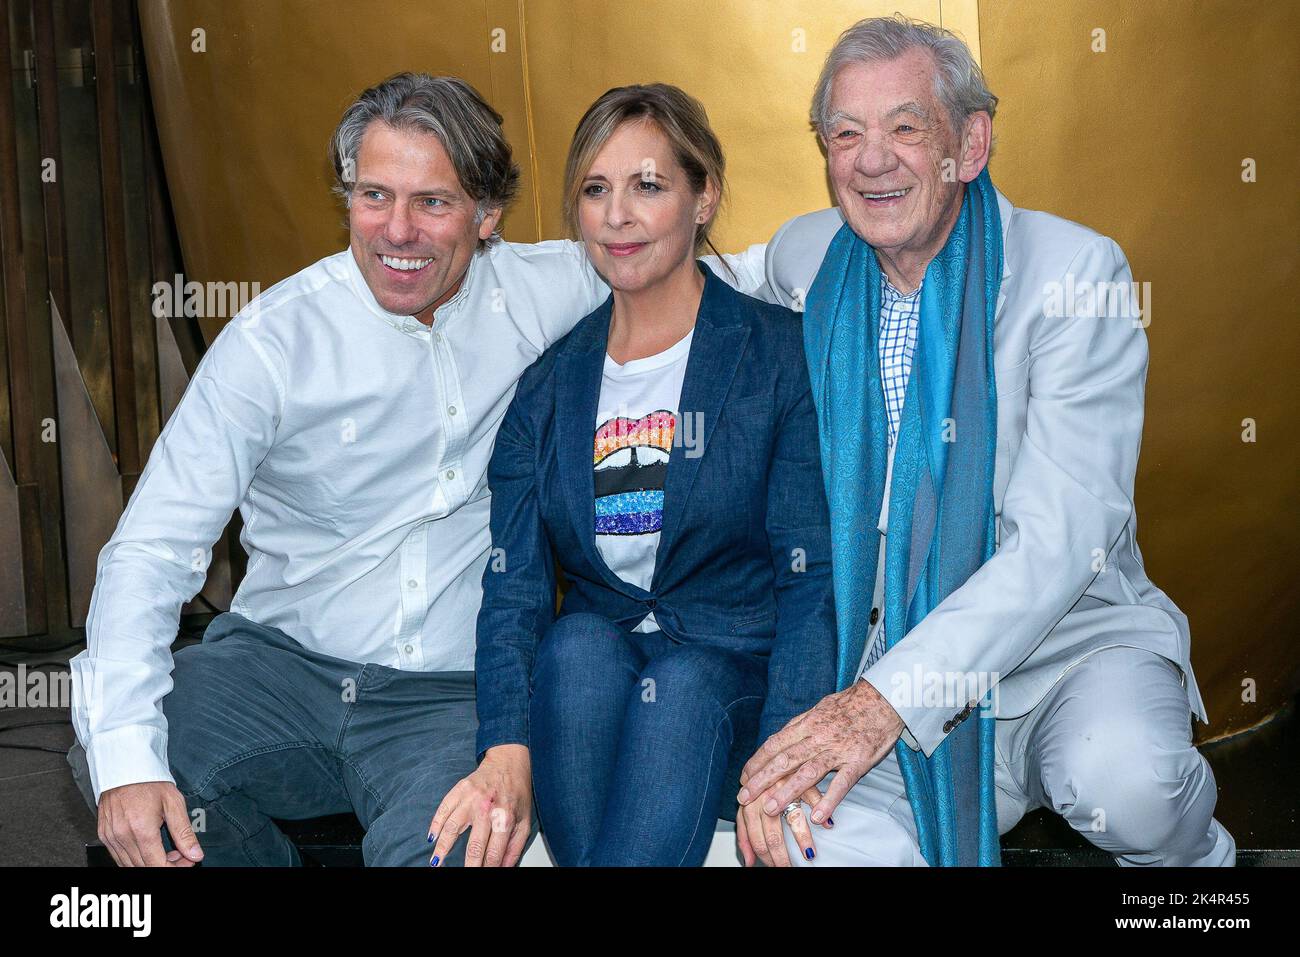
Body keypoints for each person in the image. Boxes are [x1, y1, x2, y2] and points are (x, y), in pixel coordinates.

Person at [720, 15, 1234, 866]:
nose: (871, 158)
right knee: (793, 842)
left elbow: (1062, 543)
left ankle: (1203, 879)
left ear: (972, 141)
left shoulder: (1077, 275)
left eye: (905, 127)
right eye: (845, 133)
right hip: (873, 653)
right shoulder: (807, 259)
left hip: (1063, 650)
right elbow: (675, 281)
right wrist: (478, 268)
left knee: (1127, 787)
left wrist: (887, 701)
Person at [66, 72, 609, 867]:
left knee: (458, 849)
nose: (397, 231)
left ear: (487, 216)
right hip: (277, 666)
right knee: (122, 757)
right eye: (373, 195)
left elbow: (721, 273)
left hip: (453, 693)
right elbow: (151, 548)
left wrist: (850, 234)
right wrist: (127, 759)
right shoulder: (274, 341)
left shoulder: (547, 289)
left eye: (432, 201)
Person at [429, 84, 837, 867]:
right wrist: (504, 742)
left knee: (682, 686)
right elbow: (513, 588)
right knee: (575, 643)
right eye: (595, 189)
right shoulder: (547, 388)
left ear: (703, 195)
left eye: (647, 185)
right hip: (595, 700)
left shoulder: (777, 356)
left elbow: (811, 576)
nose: (617, 215)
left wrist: (789, 754)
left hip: (730, 693)